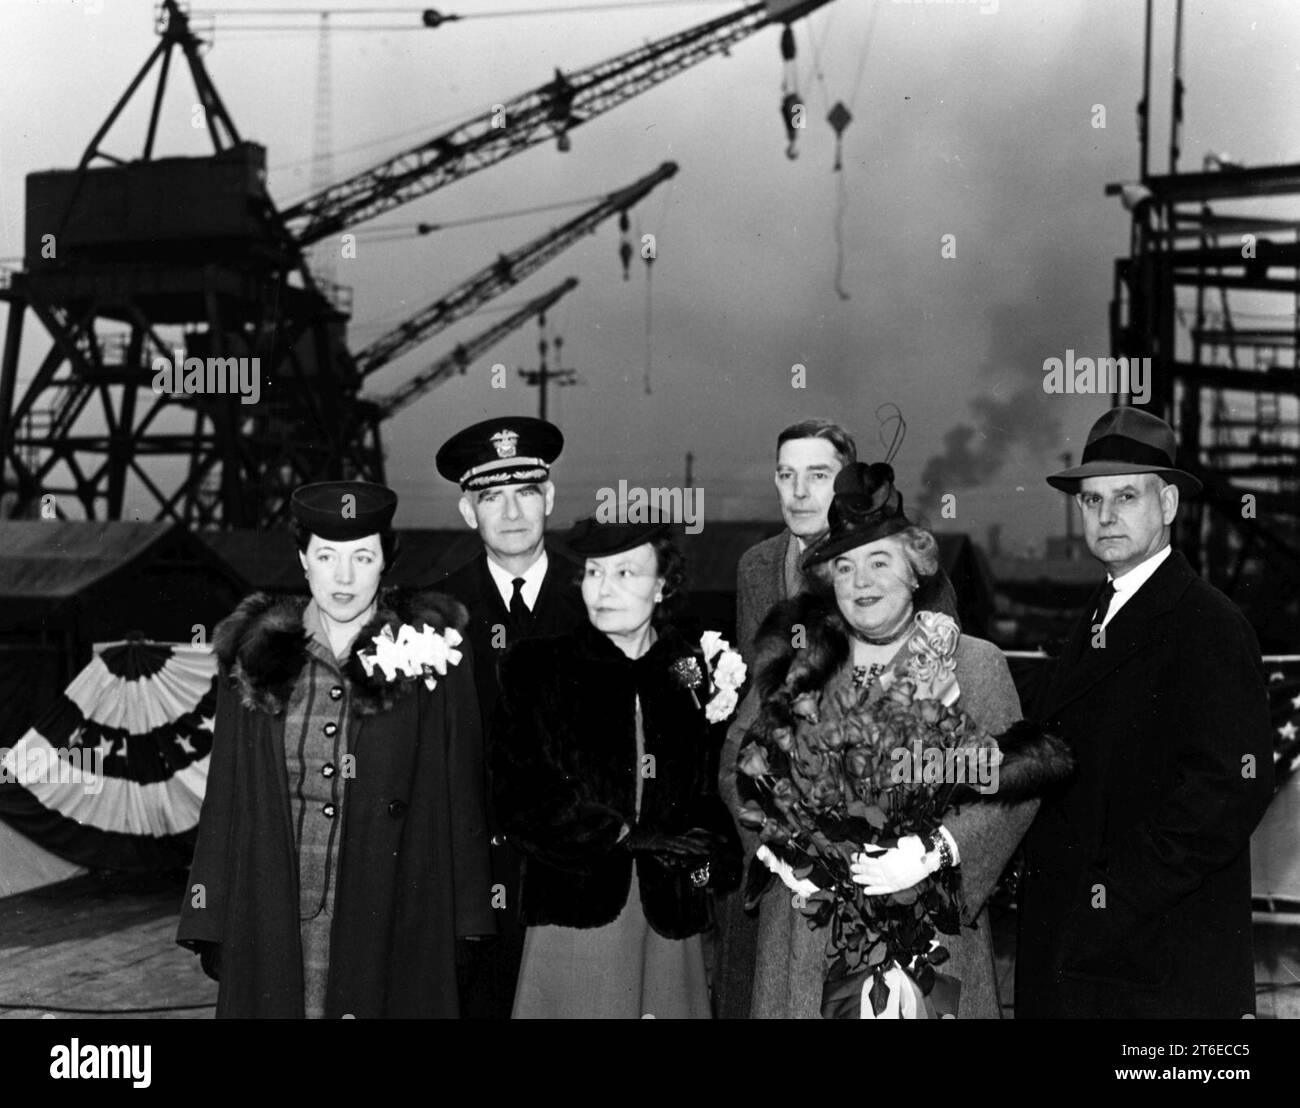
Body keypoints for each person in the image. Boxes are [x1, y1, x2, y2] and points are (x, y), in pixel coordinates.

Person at [720, 462, 1071, 1018]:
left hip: (928, 942)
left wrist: (938, 850)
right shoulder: (797, 663)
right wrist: (771, 845)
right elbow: (736, 759)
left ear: (916, 571)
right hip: (805, 938)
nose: (861, 583)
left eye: (879, 561)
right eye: (844, 567)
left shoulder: (973, 665)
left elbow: (1013, 787)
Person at [176, 481, 494, 1017]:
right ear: (304, 560)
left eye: (362, 556)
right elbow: (224, 797)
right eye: (327, 556)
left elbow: (462, 795)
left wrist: (468, 921)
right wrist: (208, 915)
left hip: (390, 902)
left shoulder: (431, 657)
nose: (343, 577)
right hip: (274, 902)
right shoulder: (253, 657)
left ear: (384, 563)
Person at [1016, 407, 1274, 1019]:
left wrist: (1111, 898)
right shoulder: (1104, 610)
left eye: (1126, 496)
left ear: (1168, 506)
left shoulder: (1209, 625)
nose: (1105, 516)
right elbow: (1051, 710)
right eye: (1091, 499)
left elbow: (1229, 790)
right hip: (1094, 954)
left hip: (1156, 963)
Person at [492, 519, 742, 1018]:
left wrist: (706, 865)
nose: (603, 590)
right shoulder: (540, 667)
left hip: (669, 922)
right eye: (592, 572)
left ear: (662, 585)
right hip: (579, 914)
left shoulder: (690, 669)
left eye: (625, 572)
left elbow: (703, 796)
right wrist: (623, 835)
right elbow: (520, 798)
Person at [433, 415, 587, 1019]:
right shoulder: (434, 611)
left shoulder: (600, 597)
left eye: (526, 492)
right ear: (468, 511)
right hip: (473, 874)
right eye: (491, 497)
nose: (513, 512)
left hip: (577, 871)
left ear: (549, 497)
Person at [716, 417, 856, 1018]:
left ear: (847, 483)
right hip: (767, 825)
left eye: (818, 476)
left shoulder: (888, 559)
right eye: (786, 475)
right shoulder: (757, 564)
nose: (798, 492)